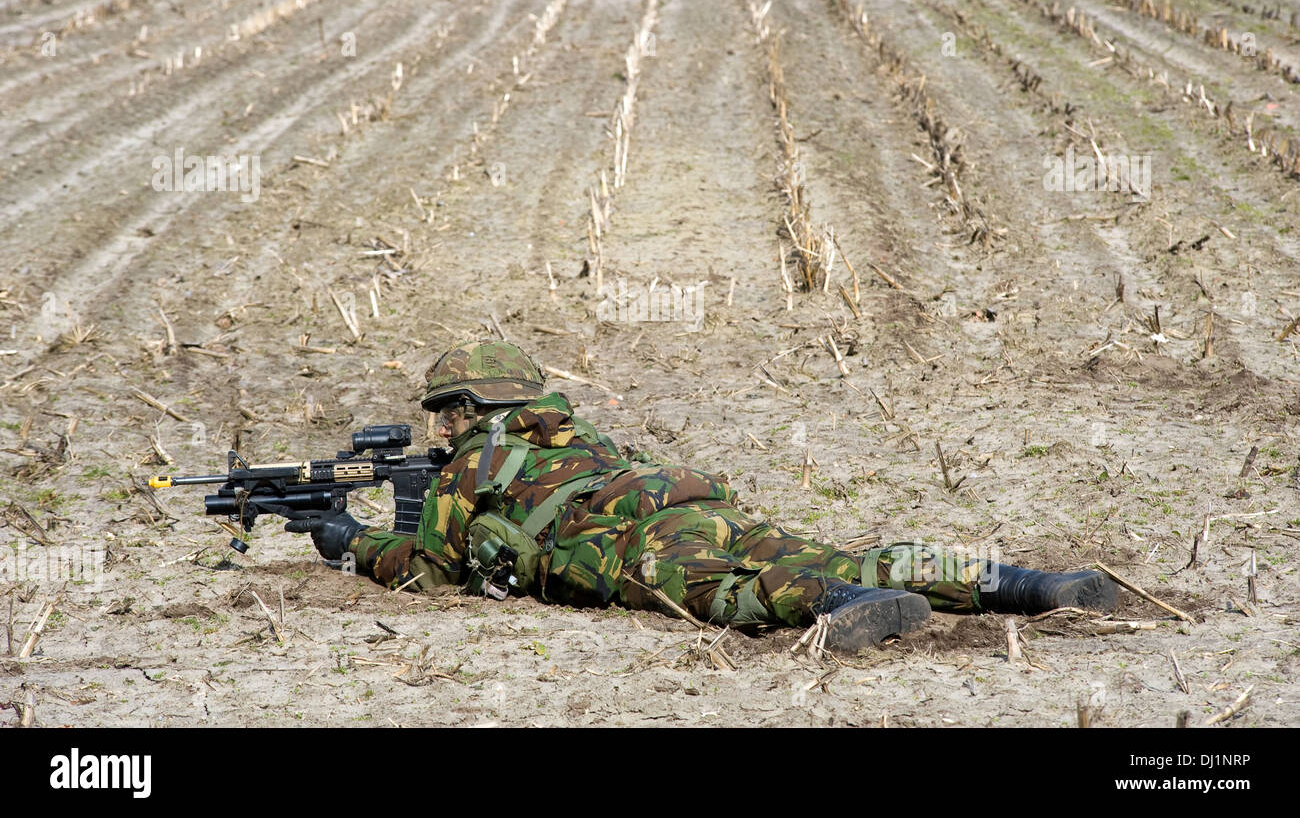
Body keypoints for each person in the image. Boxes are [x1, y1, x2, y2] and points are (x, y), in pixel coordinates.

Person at [298, 341, 1117, 651]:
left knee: (726, 592)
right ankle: (1024, 584)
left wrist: (349, 541)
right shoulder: (577, 431)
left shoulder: (472, 465)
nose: (437, 431)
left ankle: (848, 603)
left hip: (629, 544)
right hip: (685, 497)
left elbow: (429, 574)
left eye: (444, 414)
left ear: (471, 411)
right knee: (827, 546)